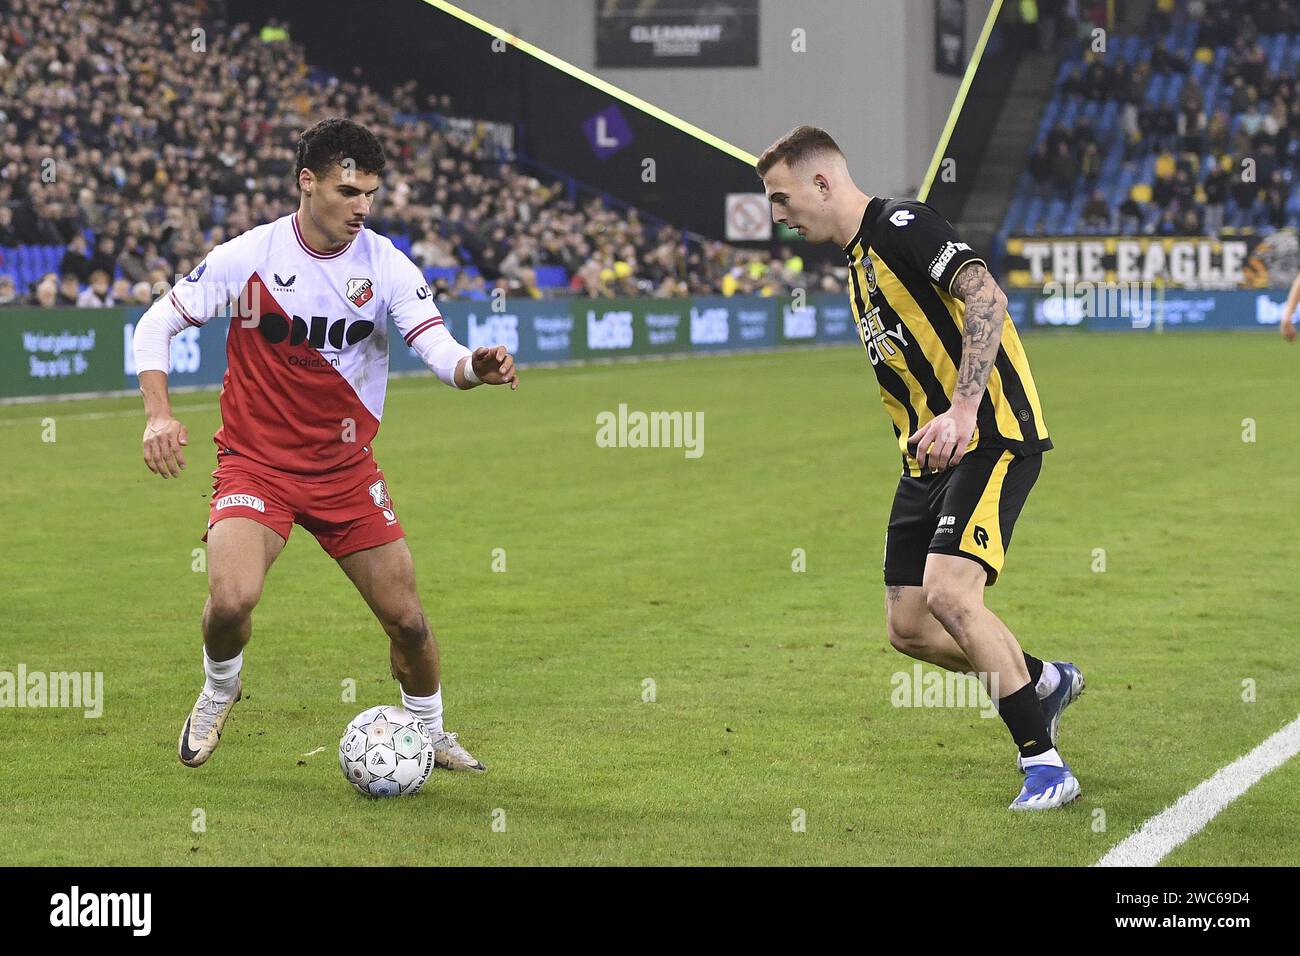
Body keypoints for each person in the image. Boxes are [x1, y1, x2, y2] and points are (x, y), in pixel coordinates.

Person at [132, 118, 518, 772]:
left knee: (410, 624)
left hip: (345, 472)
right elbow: (157, 322)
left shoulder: (385, 263)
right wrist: (158, 415)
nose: (362, 206)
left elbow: (437, 346)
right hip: (256, 465)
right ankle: (219, 689)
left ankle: (429, 733)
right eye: (348, 191)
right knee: (230, 599)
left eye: (371, 191)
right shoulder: (250, 255)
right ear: (307, 184)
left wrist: (472, 368)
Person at [757, 126, 1084, 811]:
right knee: (909, 626)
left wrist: (964, 411)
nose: (778, 215)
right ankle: (1040, 681)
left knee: (950, 595)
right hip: (926, 457)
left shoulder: (903, 224)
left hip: (988, 433)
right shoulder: (855, 261)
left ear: (822, 182)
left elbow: (987, 297)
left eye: (782, 197)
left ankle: (1045, 764)